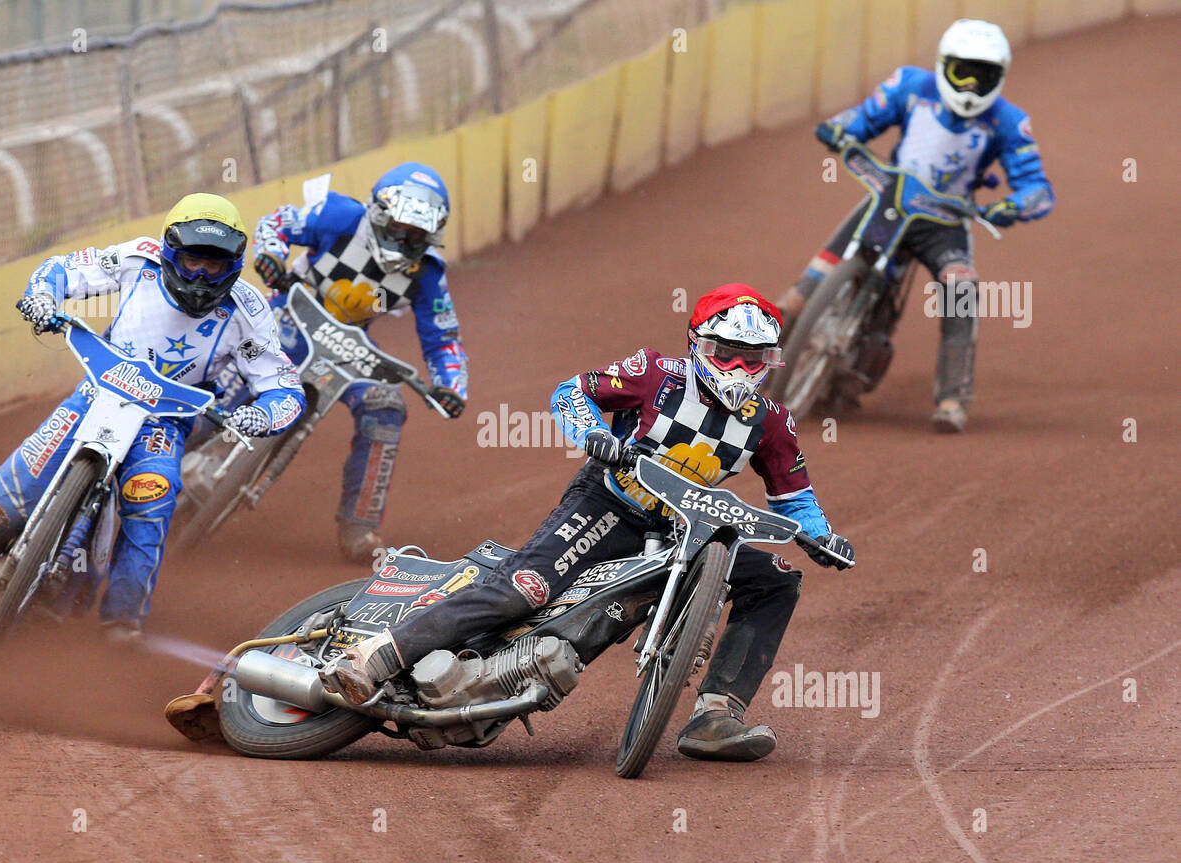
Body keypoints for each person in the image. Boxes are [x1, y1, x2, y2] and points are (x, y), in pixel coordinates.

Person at [320, 283, 853, 761]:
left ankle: (715, 715)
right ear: (698, 344)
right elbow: (572, 392)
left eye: (753, 358)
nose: (738, 368)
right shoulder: (654, 374)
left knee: (777, 578)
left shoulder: (773, 423)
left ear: (770, 361)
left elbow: (794, 496)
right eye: (726, 354)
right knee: (526, 589)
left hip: (685, 530)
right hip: (608, 503)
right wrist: (595, 434)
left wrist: (821, 536)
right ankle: (374, 656)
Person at [0, 194, 306, 643]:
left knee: (150, 505)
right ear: (171, 250)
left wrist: (260, 414)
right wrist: (42, 298)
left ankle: (122, 621)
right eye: (192, 260)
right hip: (98, 393)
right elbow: (62, 270)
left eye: (214, 266)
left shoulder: (249, 311)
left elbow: (283, 386)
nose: (200, 275)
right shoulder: (137, 258)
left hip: (163, 422)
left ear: (234, 264)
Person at [776, 18, 1054, 433]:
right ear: (943, 65)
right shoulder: (909, 85)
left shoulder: (1010, 122)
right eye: (962, 74)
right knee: (801, 294)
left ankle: (951, 400)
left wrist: (1014, 207)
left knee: (961, 291)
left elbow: (1037, 187)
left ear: (1000, 79)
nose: (971, 88)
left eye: (984, 78)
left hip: (945, 222)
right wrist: (840, 128)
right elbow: (864, 117)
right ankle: (739, 368)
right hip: (889, 202)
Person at [250, 162, 468, 564]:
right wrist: (271, 256)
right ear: (379, 214)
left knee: (385, 405)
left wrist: (451, 386)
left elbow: (443, 338)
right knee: (223, 379)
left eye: (418, 234)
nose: (406, 240)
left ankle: (359, 524)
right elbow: (277, 222)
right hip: (283, 319)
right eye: (400, 228)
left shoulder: (428, 275)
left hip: (347, 346)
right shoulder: (338, 215)